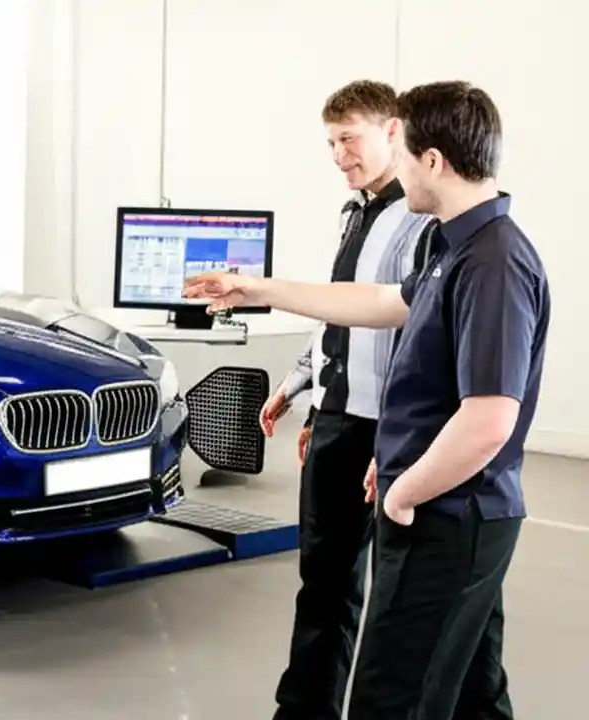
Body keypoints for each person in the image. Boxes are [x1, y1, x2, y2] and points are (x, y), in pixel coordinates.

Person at [186, 80, 549, 719]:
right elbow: (382, 303)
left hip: (447, 511)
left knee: (393, 696)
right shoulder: (452, 244)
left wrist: (405, 490)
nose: (394, 168)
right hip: (437, 498)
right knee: (470, 688)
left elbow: (490, 419)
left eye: (401, 152)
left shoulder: (493, 262)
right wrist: (258, 289)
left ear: (430, 160)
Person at [264, 80, 436, 720]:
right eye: (331, 143)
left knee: (396, 593)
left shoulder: (420, 219)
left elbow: (415, 334)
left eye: (350, 139)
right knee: (323, 580)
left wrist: (399, 438)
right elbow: (338, 311)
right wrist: (301, 385)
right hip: (338, 416)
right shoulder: (355, 212)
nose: (339, 155)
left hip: (386, 428)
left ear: (393, 131)